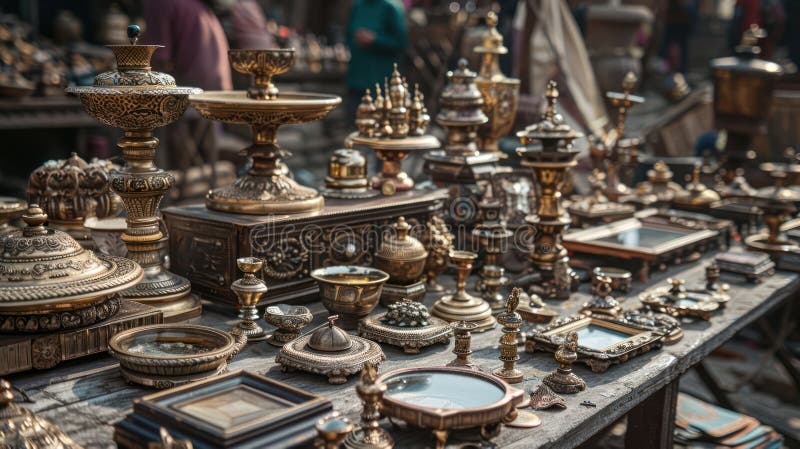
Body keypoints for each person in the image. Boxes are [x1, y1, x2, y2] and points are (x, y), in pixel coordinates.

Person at [141, 0, 232, 195]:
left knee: (132, 115)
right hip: (214, 95)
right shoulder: (195, 6)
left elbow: (158, 60)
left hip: (192, 98)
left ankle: (150, 190)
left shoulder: (160, 4)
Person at [345, 0, 408, 119]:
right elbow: (348, 35)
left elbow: (401, 43)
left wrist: (375, 40)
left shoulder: (391, 7)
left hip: (379, 80)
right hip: (357, 77)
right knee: (354, 121)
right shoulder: (358, 6)